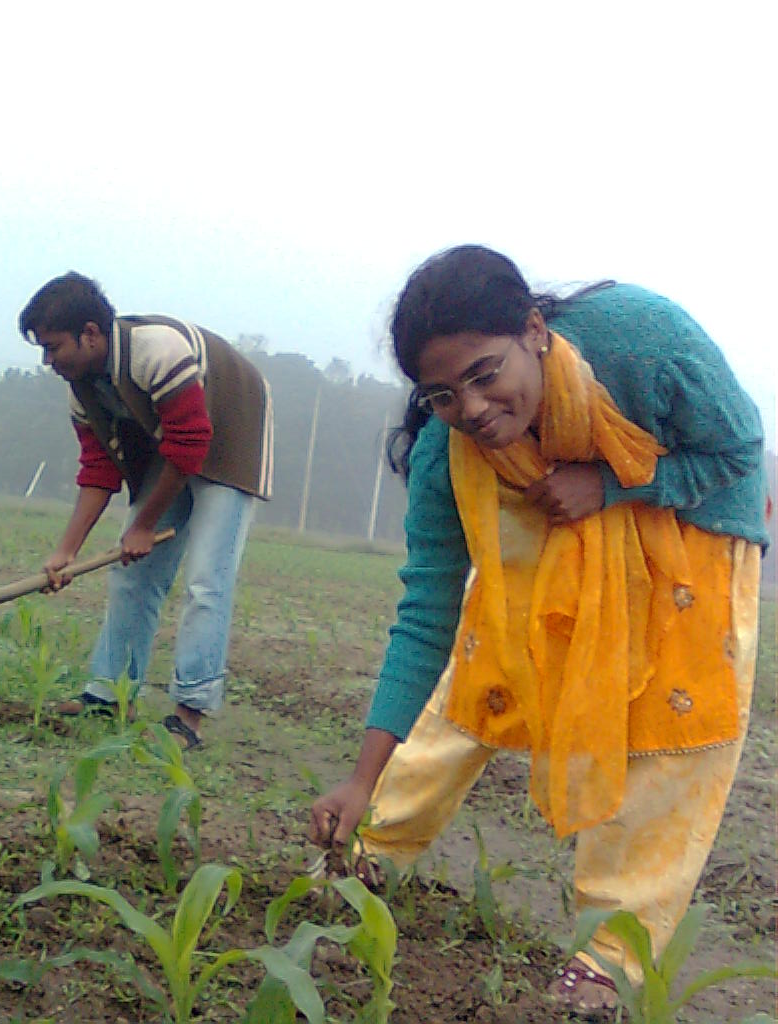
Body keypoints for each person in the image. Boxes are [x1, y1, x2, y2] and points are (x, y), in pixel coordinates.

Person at [308, 246, 767, 1018]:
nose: (476, 408)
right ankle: (373, 845)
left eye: (487, 374)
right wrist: (360, 778)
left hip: (691, 518)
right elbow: (427, 615)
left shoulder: (642, 338)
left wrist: (616, 484)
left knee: (670, 715)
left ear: (533, 329)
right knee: (489, 661)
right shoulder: (447, 454)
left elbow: (736, 448)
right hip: (555, 504)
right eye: (445, 394)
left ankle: (609, 955)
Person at [20, 272, 273, 749]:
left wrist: (144, 524)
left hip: (231, 429)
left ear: (90, 333)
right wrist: (66, 552)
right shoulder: (83, 388)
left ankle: (188, 716)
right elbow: (98, 470)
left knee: (206, 579)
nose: (48, 361)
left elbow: (193, 443)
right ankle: (110, 694)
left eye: (54, 348)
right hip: (175, 444)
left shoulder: (158, 352)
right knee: (132, 573)